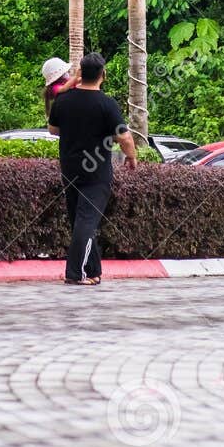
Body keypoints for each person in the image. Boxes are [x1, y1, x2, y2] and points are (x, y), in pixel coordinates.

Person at [47, 52, 137, 283]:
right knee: (87, 222)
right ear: (102, 75)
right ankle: (75, 274)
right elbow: (125, 138)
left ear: (80, 74)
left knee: (82, 221)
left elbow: (53, 130)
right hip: (96, 173)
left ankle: (93, 271)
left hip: (69, 169)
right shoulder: (106, 104)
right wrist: (131, 158)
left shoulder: (63, 101)